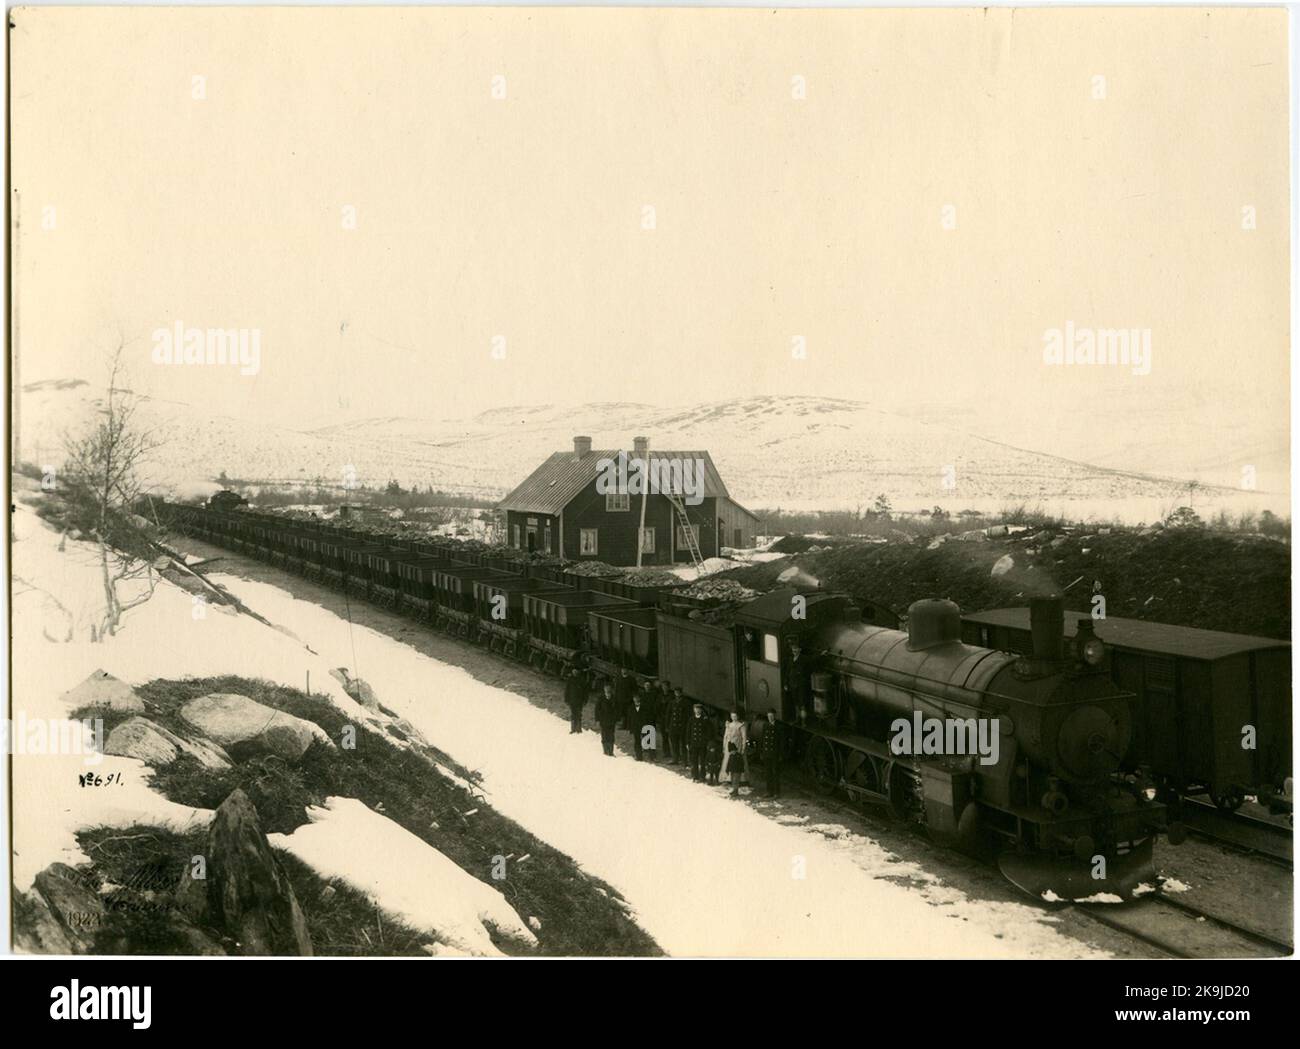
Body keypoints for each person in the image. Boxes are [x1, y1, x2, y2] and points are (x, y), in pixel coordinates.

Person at [721, 709, 749, 796]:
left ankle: (736, 786)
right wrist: (724, 746)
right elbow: (726, 736)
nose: (733, 718)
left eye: (735, 716)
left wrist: (743, 748)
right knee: (730, 767)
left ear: (738, 716)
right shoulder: (729, 725)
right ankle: (731, 783)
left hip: (737, 748)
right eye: (732, 716)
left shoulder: (741, 726)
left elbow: (744, 737)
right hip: (729, 748)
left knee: (736, 768)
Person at [629, 685, 657, 762]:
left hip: (645, 726)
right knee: (637, 742)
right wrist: (631, 728)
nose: (636, 699)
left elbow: (649, 717)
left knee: (648, 741)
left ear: (640, 698)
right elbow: (630, 719)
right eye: (634, 698)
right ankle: (639, 756)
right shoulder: (631, 708)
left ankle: (652, 756)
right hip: (636, 727)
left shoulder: (645, 706)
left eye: (637, 698)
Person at [759, 710, 783, 797]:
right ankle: (769, 791)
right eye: (769, 716)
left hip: (774, 753)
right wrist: (761, 751)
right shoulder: (765, 725)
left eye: (772, 716)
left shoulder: (778, 726)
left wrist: (780, 754)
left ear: (774, 716)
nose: (770, 718)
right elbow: (762, 739)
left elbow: (781, 742)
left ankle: (777, 792)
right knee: (768, 773)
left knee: (775, 773)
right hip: (767, 752)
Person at [595, 681, 620, 756]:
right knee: (604, 735)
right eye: (606, 689)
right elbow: (597, 710)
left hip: (611, 721)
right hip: (603, 721)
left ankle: (611, 751)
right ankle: (605, 751)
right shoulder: (601, 698)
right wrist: (598, 720)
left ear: (611, 690)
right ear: (604, 689)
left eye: (609, 689)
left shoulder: (614, 699)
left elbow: (618, 709)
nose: (607, 690)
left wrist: (616, 718)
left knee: (611, 736)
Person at [687, 701, 709, 781]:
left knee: (702, 761)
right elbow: (688, 732)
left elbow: (708, 731)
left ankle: (702, 776)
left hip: (702, 743)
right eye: (696, 709)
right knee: (694, 761)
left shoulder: (705, 719)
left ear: (701, 710)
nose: (697, 710)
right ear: (693, 710)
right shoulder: (691, 719)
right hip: (694, 743)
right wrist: (687, 742)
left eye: (699, 709)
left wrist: (706, 741)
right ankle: (695, 776)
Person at [563, 666, 588, 734]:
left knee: (579, 714)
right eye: (574, 671)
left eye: (576, 671)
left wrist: (585, 700)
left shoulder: (582, 680)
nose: (575, 672)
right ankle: (573, 728)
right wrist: (566, 699)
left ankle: (578, 729)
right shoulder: (570, 679)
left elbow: (585, 691)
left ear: (578, 672)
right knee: (573, 714)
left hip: (579, 701)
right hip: (572, 700)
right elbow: (567, 690)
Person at [656, 681, 674, 761]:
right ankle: (666, 752)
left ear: (669, 687)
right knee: (664, 736)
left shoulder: (672, 696)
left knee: (672, 737)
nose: (665, 688)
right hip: (662, 719)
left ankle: (675, 753)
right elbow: (657, 707)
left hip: (670, 719)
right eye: (663, 686)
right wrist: (659, 717)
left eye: (666, 686)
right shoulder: (660, 696)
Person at [705, 718, 723, 785]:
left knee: (716, 774)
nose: (712, 749)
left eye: (713, 748)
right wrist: (707, 764)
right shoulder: (708, 753)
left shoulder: (716, 753)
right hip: (711, 766)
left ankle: (717, 781)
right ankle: (711, 781)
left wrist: (718, 764)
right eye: (711, 748)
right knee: (711, 774)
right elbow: (706, 759)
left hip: (715, 765)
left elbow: (718, 758)